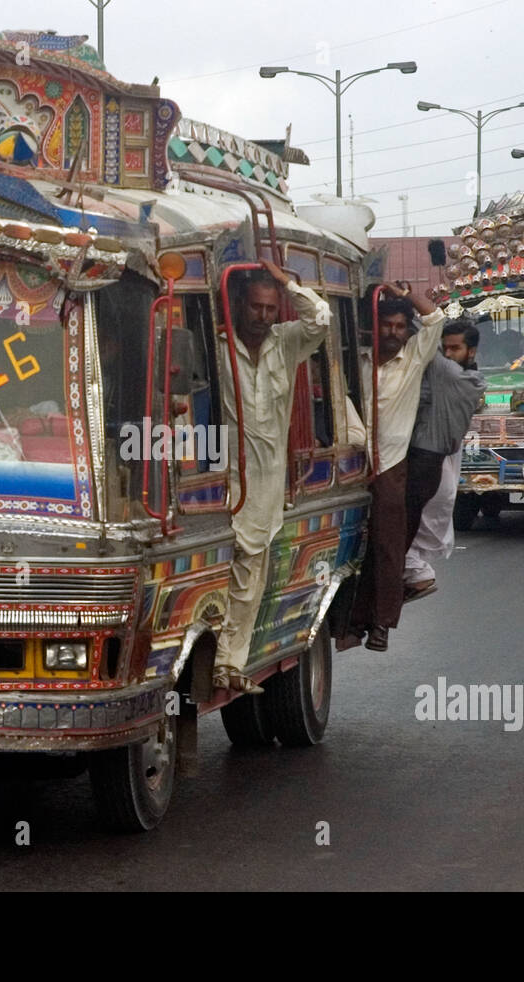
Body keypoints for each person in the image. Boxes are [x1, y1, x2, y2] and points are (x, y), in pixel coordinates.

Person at [215, 259, 331, 694]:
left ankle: (230, 663)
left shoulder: (286, 342)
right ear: (240, 305)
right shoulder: (218, 345)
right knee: (221, 573)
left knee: (250, 576)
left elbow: (322, 317)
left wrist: (287, 282)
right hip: (221, 474)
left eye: (270, 307)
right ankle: (219, 658)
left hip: (265, 483)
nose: (263, 315)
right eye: (256, 307)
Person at [338, 281, 446, 652]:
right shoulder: (357, 362)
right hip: (351, 464)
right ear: (374, 326)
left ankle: (382, 624)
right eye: (388, 325)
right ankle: (351, 620)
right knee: (349, 547)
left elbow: (434, 318)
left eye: (400, 326)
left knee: (387, 548)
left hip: (390, 465)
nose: (394, 333)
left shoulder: (414, 359)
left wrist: (409, 291)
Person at [404, 321, 486, 600]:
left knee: (406, 524)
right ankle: (414, 574)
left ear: (471, 352)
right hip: (440, 462)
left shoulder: (450, 374)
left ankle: (415, 574)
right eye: (446, 348)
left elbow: (426, 339)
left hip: (428, 461)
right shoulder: (466, 375)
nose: (448, 353)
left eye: (455, 348)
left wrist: (407, 304)